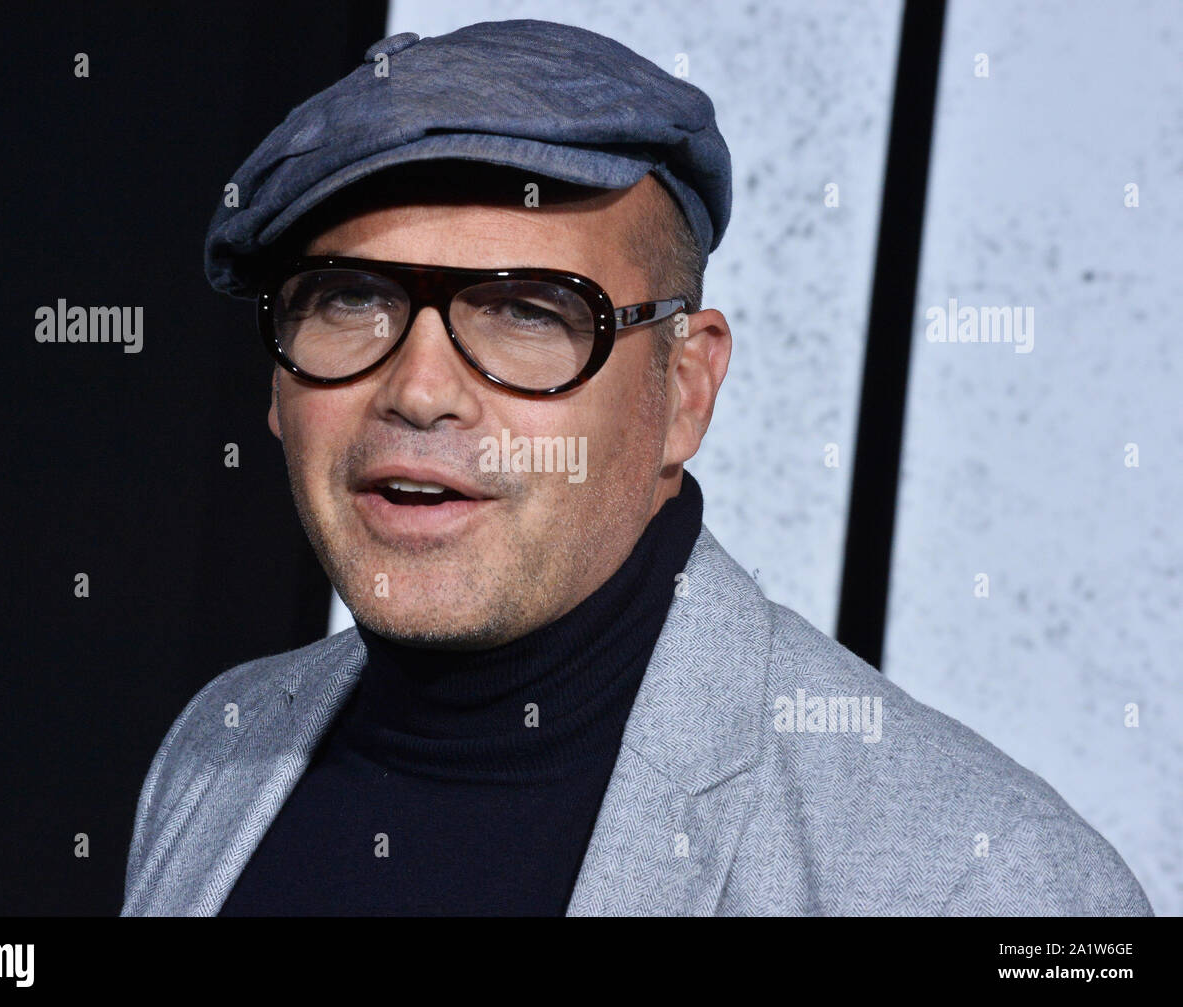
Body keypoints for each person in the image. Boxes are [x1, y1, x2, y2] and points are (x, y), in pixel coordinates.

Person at [120, 19, 1151, 916]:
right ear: (276, 382)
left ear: (685, 390)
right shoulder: (220, 741)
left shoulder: (982, 877)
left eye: (528, 311)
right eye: (350, 299)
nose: (419, 388)